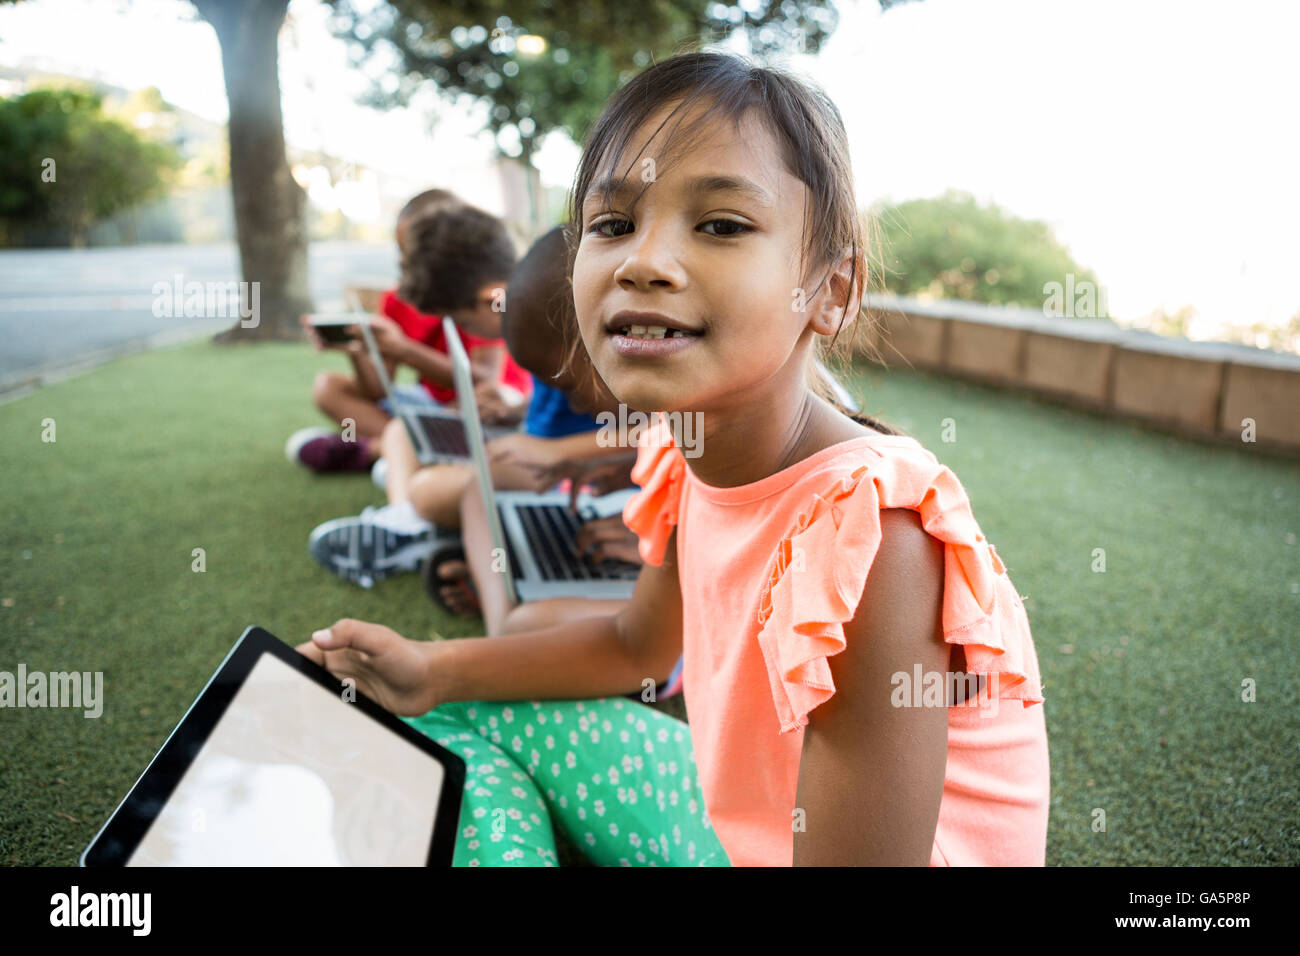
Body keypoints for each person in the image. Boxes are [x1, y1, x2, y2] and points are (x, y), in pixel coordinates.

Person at [297, 51, 1049, 867]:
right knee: (433, 712)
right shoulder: (683, 451)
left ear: (830, 292)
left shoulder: (878, 536)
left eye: (721, 225)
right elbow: (633, 648)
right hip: (741, 836)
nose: (641, 261)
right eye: (612, 224)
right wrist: (431, 667)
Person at [305, 226, 639, 590]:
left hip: (561, 471)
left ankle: (408, 515)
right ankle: (408, 522)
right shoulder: (554, 335)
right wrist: (517, 410)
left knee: (431, 490)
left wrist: (552, 451)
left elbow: (658, 434)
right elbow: (544, 405)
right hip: (536, 450)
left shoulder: (591, 345)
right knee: (401, 434)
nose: (574, 399)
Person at [288, 194, 531, 473]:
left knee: (487, 400)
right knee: (327, 387)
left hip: (484, 404)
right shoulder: (400, 299)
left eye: (413, 251)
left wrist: (403, 349)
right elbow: (378, 391)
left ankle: (377, 450)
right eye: (402, 250)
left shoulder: (479, 300)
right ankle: (409, 448)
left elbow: (486, 382)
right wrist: (360, 351)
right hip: (431, 403)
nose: (404, 261)